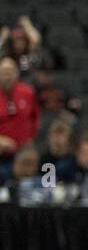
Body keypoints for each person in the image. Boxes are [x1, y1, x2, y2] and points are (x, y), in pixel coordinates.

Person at [0, 56, 39, 184]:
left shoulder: (28, 93)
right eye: (4, 73)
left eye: (10, 72)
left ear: (16, 73)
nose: (8, 76)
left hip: (23, 153)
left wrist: (31, 138)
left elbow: (35, 118)